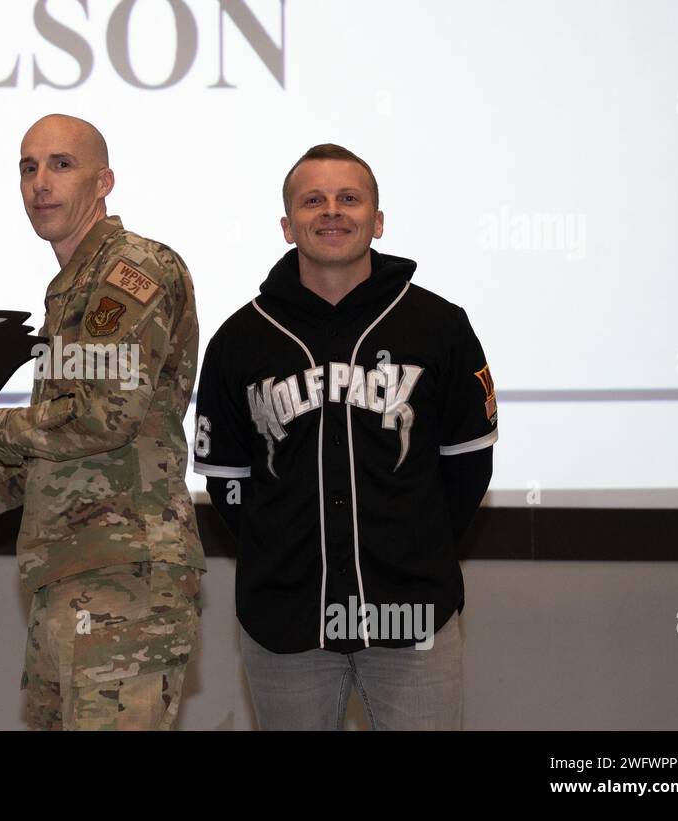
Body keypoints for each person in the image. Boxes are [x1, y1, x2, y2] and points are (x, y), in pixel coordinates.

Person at [0, 114, 204, 730]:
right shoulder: (68, 289)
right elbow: (41, 455)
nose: (40, 183)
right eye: (28, 168)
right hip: (68, 578)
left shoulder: (129, 271)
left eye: (61, 164)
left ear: (104, 180)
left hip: (125, 577)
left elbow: (106, 417)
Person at [192, 144, 497, 730]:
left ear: (377, 220)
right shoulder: (240, 338)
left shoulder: (440, 326)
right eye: (313, 201)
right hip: (285, 623)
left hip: (413, 618)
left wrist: (409, 546)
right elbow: (230, 488)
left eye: (349, 199)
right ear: (287, 225)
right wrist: (283, 548)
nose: (332, 212)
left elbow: (466, 470)